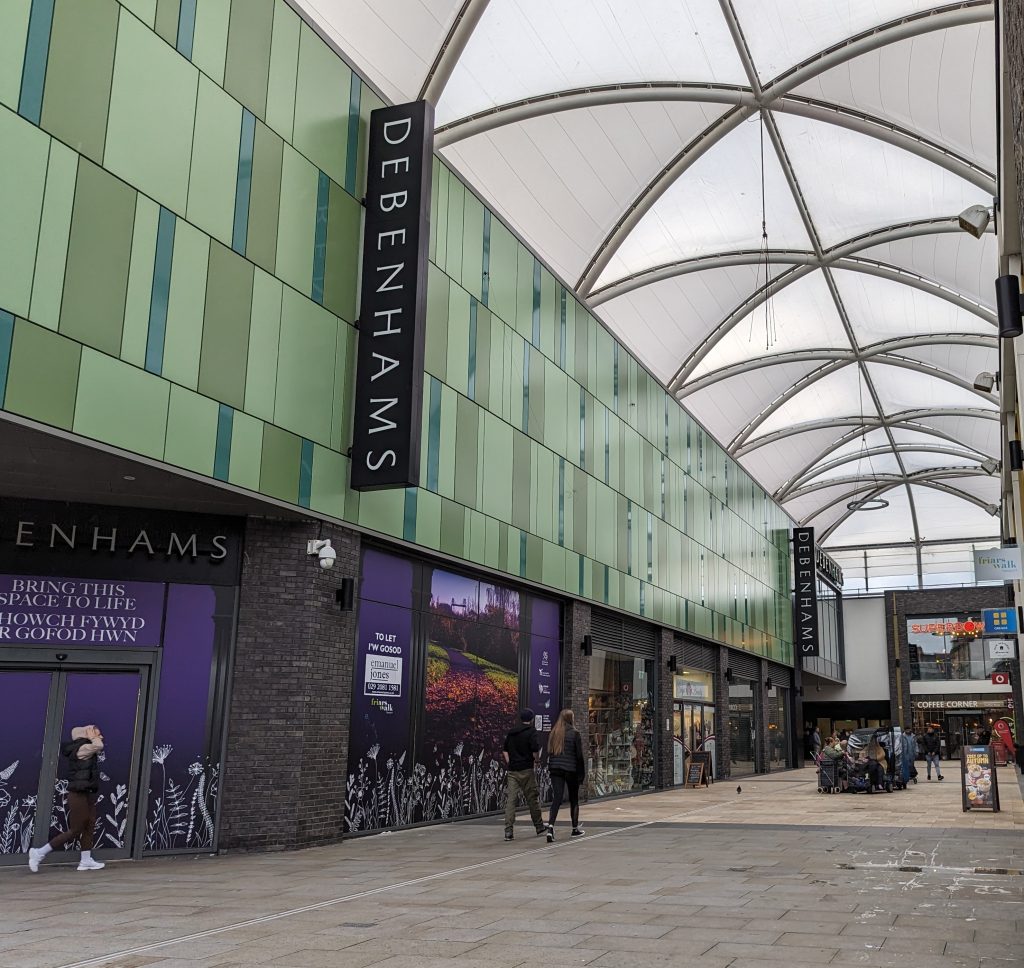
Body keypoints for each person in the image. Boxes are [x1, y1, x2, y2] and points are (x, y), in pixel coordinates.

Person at [29, 724, 105, 872]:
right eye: (94, 731)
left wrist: (94, 736)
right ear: (85, 734)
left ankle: (86, 860)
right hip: (77, 794)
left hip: (86, 792)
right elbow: (98, 745)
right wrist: (94, 737)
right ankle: (38, 853)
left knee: (89, 824)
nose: (98, 734)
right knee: (76, 829)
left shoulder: (85, 747)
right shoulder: (81, 749)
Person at [502, 708, 546, 841]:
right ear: (532, 719)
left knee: (511, 800)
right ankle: (539, 826)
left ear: (520, 719)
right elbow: (535, 750)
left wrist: (510, 762)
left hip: (513, 770)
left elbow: (505, 750)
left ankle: (508, 831)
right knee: (532, 798)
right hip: (527, 769)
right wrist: (537, 761)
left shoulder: (512, 732)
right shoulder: (531, 732)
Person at [545, 708, 585, 842]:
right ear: (570, 719)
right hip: (570, 769)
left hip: (555, 769)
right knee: (574, 799)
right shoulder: (575, 734)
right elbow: (579, 756)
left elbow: (550, 752)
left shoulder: (554, 733)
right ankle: (574, 828)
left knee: (557, 798)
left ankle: (550, 827)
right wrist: (581, 774)